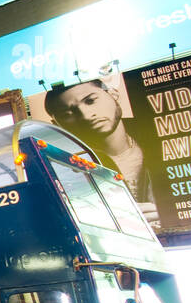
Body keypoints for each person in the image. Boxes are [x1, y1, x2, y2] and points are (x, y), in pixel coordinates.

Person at [43, 79, 159, 224]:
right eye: (67, 114)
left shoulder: (159, 134)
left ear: (113, 94)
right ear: (57, 124)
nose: (85, 115)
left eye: (90, 101)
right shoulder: (61, 167)